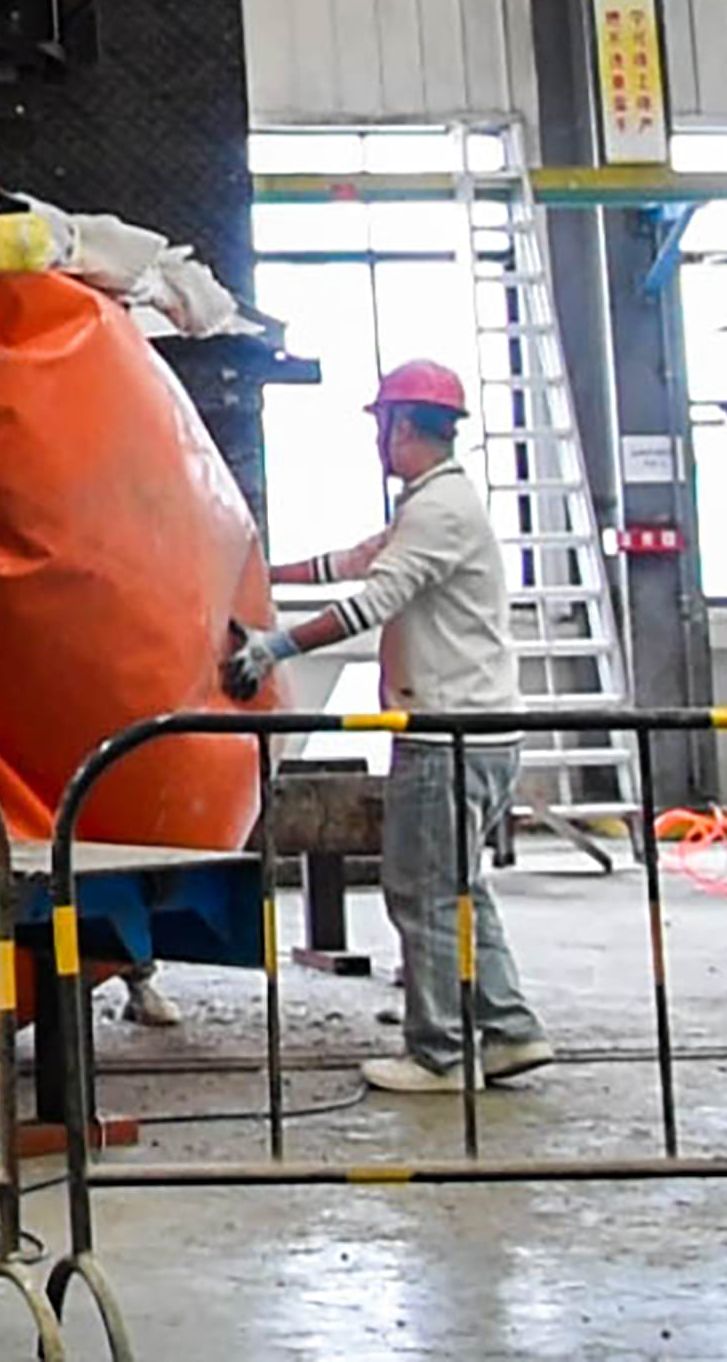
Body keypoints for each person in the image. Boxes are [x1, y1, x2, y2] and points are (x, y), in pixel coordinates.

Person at [219, 358, 555, 1095]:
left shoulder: (437, 512)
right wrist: (259, 573)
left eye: (380, 425)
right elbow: (356, 561)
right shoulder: (434, 503)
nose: (377, 439)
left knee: (421, 892)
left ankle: (438, 1053)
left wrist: (272, 646)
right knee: (459, 889)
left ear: (404, 425)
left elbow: (371, 600)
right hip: (481, 730)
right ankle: (505, 1029)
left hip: (446, 737)